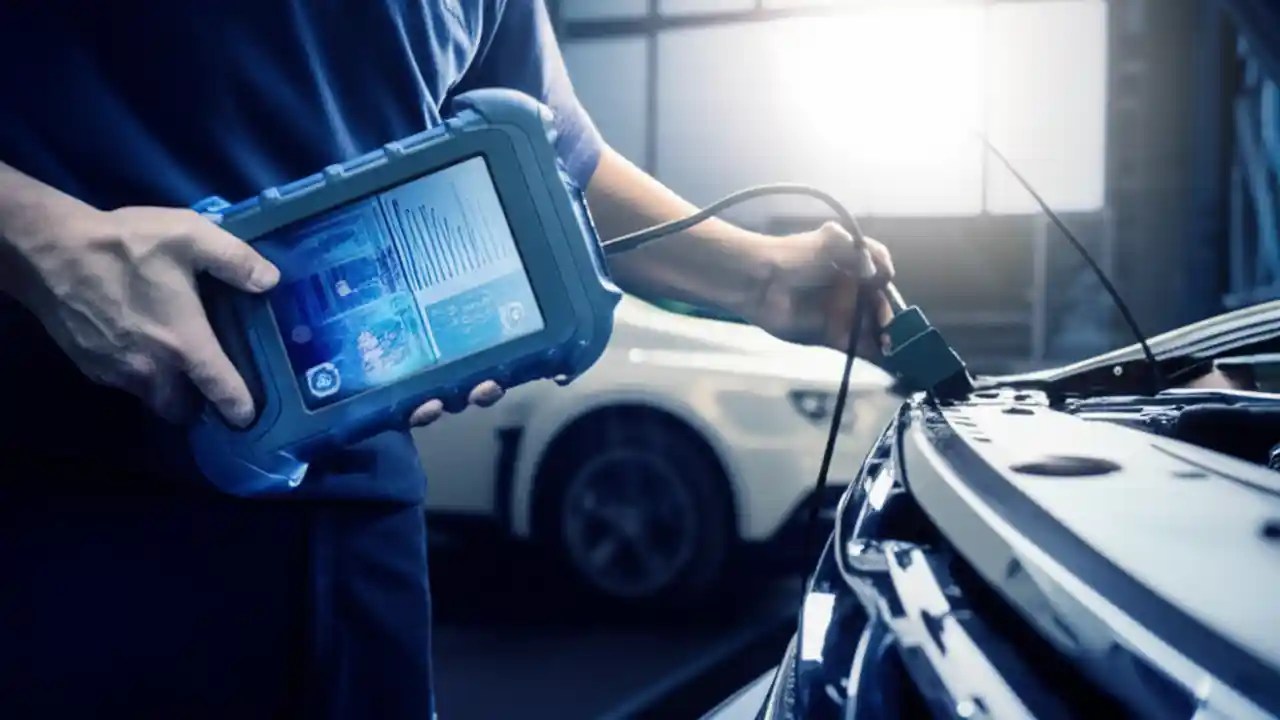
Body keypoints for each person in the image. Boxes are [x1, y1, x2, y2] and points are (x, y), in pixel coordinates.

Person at [0, 1, 893, 717]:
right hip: (61, 484)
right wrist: (40, 238)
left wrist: (761, 279)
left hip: (358, 496)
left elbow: (550, 159)